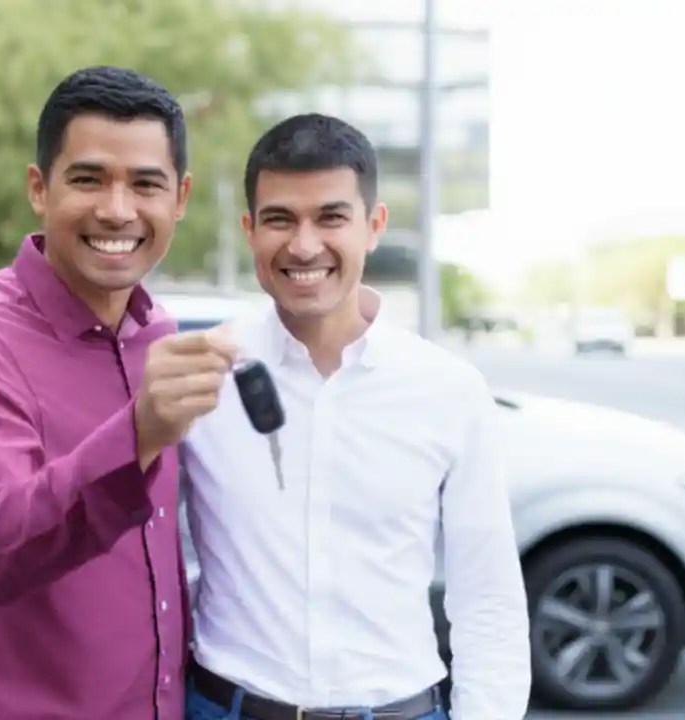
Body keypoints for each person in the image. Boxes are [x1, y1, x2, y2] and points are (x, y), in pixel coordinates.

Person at [180, 114, 532, 720]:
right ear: (250, 230)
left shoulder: (448, 391)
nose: (304, 244)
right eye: (280, 219)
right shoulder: (202, 376)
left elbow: (488, 600)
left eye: (331, 217)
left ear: (374, 226)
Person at [0, 66, 237, 719]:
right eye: (89, 179)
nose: (117, 210)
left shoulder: (162, 337)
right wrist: (137, 434)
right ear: (40, 188)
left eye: (145, 184)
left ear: (180, 198)